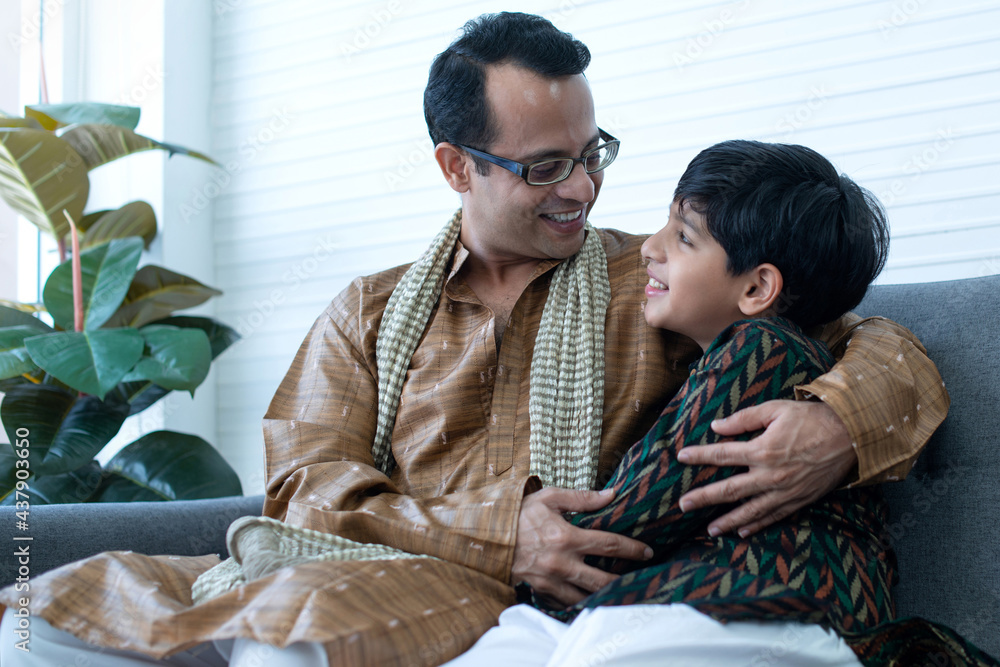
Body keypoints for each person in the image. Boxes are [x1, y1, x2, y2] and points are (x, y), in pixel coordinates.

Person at [0, 12, 949, 667]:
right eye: (545, 166)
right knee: (43, 619)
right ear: (457, 166)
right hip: (364, 565)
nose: (582, 188)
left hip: (492, 607)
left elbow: (869, 339)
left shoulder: (656, 281)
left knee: (294, 624)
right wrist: (501, 532)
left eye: (593, 153)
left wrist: (836, 424)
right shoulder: (367, 311)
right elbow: (306, 487)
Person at [448, 140, 995, 666]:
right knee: (514, 639)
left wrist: (508, 545)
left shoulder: (764, 350)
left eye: (683, 237)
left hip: (773, 606)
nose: (650, 248)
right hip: (698, 603)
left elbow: (639, 508)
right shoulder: (744, 354)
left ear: (757, 289)